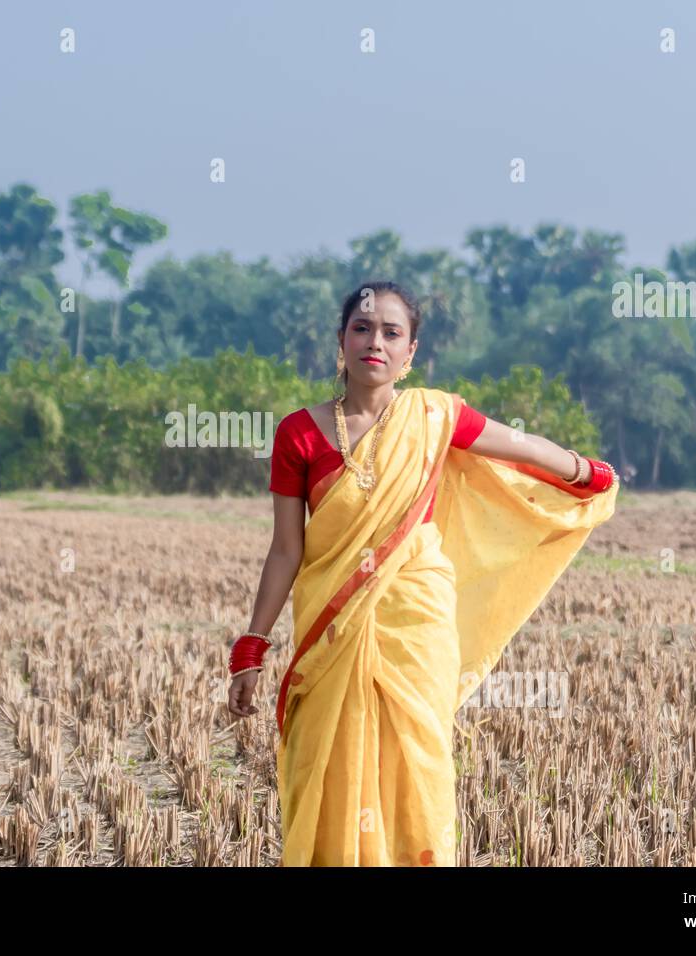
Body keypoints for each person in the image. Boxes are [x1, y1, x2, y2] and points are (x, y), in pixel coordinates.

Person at [228, 281, 617, 867]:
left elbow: (518, 447)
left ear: (411, 353)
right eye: (362, 329)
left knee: (420, 757)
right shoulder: (299, 433)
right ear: (341, 342)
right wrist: (252, 644)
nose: (375, 342)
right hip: (333, 626)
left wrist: (587, 473)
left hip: (416, 622)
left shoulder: (435, 415)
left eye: (391, 332)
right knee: (322, 757)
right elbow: (286, 549)